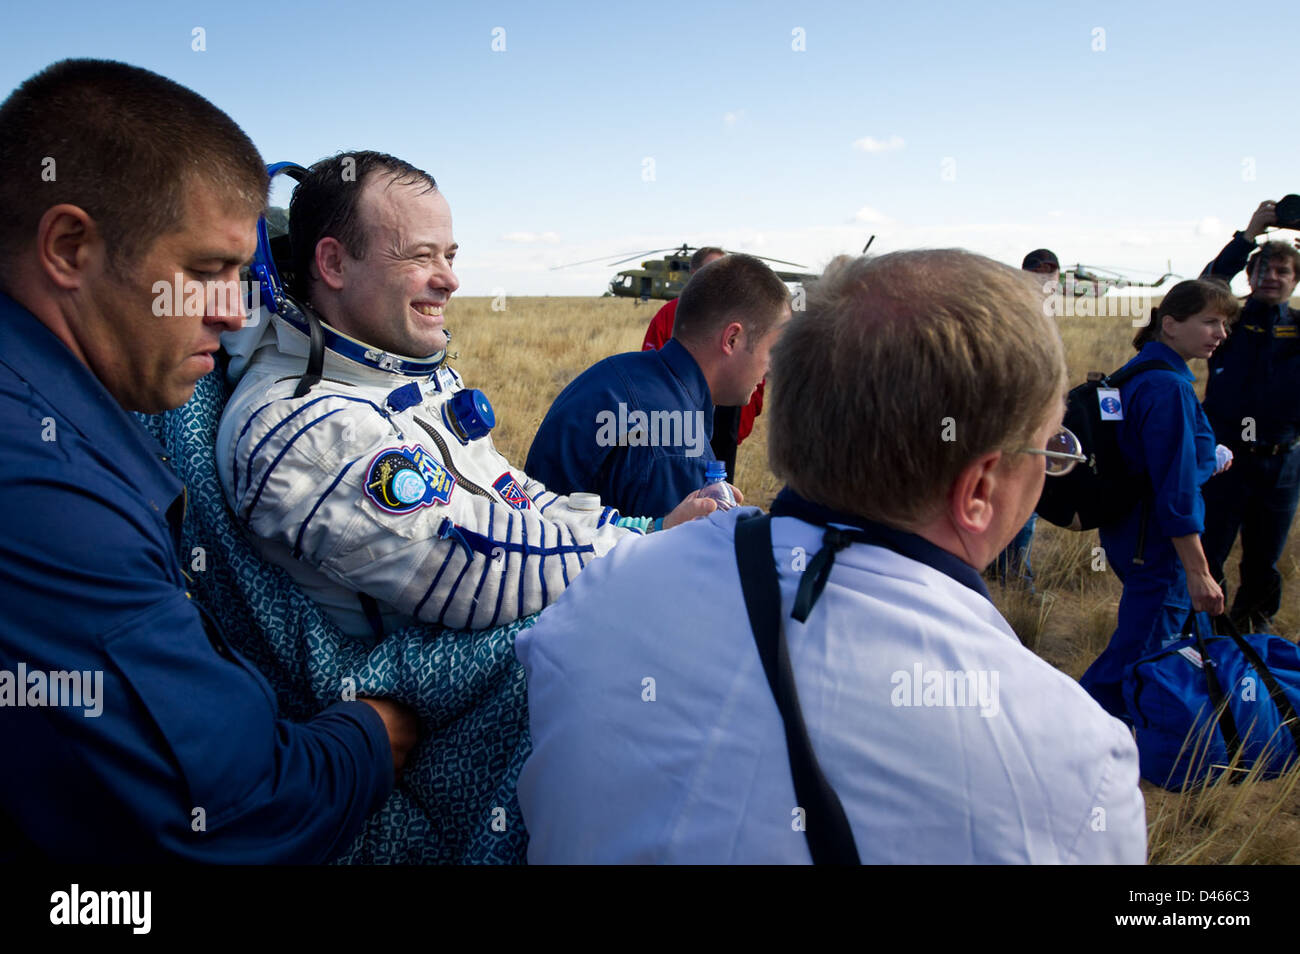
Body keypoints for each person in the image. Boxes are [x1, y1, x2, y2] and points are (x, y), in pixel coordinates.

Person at [517, 249, 1146, 864]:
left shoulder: (598, 591)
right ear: (979, 489)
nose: (1050, 467)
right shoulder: (1078, 765)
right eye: (1048, 448)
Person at [0, 60, 413, 862]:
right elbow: (230, 814)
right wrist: (374, 734)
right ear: (69, 247)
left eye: (244, 274)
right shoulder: (46, 493)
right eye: (206, 272)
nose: (233, 314)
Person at [217, 152, 712, 639]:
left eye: (449, 256)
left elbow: (512, 497)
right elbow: (483, 569)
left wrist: (650, 528)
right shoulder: (302, 424)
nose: (450, 280)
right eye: (420, 255)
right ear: (333, 263)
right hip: (423, 701)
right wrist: (648, 553)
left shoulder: (390, 374)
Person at [1078, 280, 1240, 719]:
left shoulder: (1137, 374)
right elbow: (1176, 489)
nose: (1221, 334)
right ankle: (1071, 735)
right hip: (1157, 546)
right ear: (1170, 324)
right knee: (1137, 661)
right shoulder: (1170, 389)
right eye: (1210, 322)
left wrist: (1205, 457)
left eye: (1224, 324)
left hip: (1128, 534)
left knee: (1161, 648)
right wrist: (1200, 572)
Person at [525, 254, 789, 518]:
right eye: (772, 349)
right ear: (732, 339)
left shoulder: (620, 370)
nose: (771, 367)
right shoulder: (678, 449)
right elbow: (675, 557)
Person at [1199, 201, 1300, 632]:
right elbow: (1205, 285)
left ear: (1295, 280)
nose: (1272, 278)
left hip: (1281, 463)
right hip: (1225, 457)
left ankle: (1253, 639)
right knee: (1209, 551)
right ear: (1250, 275)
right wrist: (1247, 236)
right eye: (1263, 270)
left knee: (1263, 559)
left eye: (1283, 271)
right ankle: (1206, 636)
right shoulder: (1229, 319)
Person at [640, 247, 766, 478]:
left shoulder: (746, 319)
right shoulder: (669, 314)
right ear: (694, 274)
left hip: (725, 429)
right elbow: (649, 376)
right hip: (676, 425)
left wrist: (739, 426)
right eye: (712, 272)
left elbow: (757, 376)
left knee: (719, 493)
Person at [989, 248, 1061, 589]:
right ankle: (1014, 580)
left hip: (1029, 422)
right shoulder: (1012, 317)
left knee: (1020, 505)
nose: (1047, 280)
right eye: (1039, 273)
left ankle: (1008, 575)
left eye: (1052, 274)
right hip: (1009, 423)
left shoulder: (1042, 317)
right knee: (1015, 506)